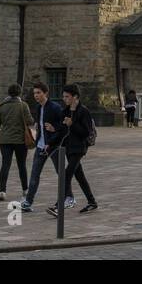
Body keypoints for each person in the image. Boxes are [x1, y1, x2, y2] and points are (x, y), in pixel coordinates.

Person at [48, 84, 97, 216]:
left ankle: (59, 206)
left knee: (66, 175)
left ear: (75, 97)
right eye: (63, 96)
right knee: (80, 176)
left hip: (79, 148)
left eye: (67, 96)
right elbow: (62, 131)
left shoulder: (83, 111)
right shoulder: (65, 111)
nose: (64, 99)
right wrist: (51, 140)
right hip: (68, 148)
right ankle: (92, 202)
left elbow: (86, 132)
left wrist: (72, 124)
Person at [21, 82, 70, 212]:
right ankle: (28, 202)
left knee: (61, 173)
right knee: (34, 175)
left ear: (45, 93)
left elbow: (65, 126)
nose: (36, 95)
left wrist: (54, 129)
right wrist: (38, 126)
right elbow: (41, 123)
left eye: (38, 93)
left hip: (53, 146)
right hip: (41, 146)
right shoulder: (38, 108)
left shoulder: (55, 107)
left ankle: (69, 197)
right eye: (34, 93)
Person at [0, 83, 34, 202]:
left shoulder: (2, 106)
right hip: (20, 140)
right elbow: (30, 121)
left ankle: (2, 191)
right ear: (19, 93)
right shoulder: (23, 105)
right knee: (21, 165)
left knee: (5, 164)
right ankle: (25, 189)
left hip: (5, 140)